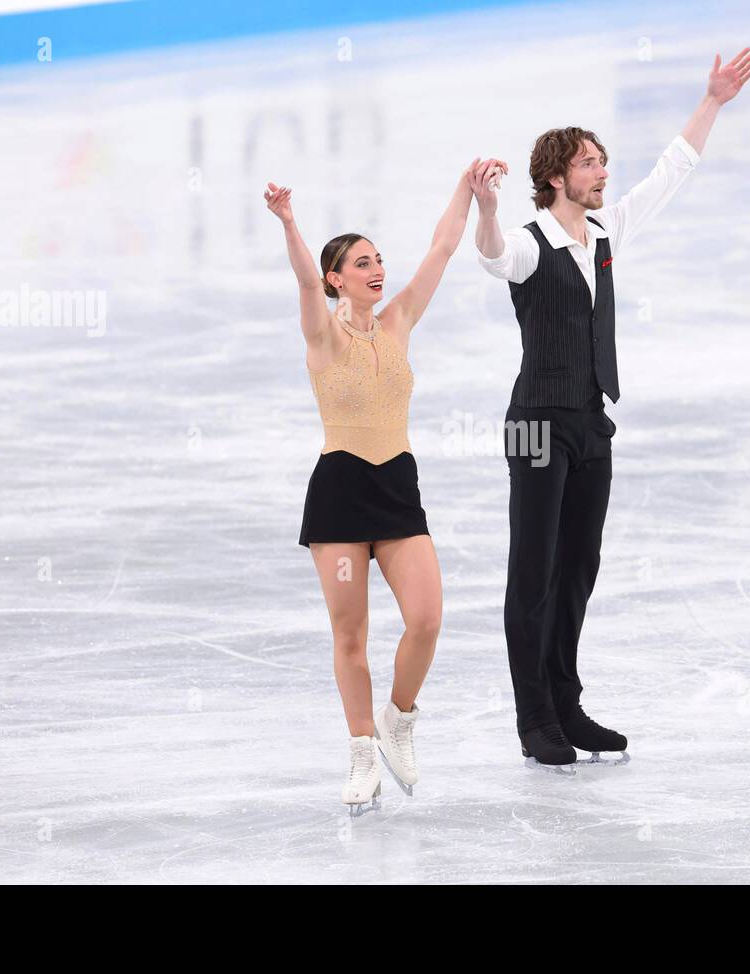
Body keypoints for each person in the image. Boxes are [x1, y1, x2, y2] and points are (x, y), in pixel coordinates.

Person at [474, 48, 750, 769]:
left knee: (579, 567)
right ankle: (533, 715)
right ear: (556, 177)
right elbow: (493, 253)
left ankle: (565, 701)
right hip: (536, 423)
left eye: (603, 160)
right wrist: (484, 207)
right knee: (532, 569)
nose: (603, 172)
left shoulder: (604, 234)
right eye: (591, 163)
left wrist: (713, 101)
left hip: (590, 422)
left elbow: (672, 171)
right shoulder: (532, 246)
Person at [264, 157, 508, 813]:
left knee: (426, 618)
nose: (377, 269)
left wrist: (466, 187)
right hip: (341, 496)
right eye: (362, 263)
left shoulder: (398, 321)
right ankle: (361, 752)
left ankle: (400, 720)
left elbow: (444, 246)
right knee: (351, 637)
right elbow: (303, 284)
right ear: (336, 279)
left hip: (397, 488)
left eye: (378, 259)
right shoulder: (322, 334)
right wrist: (290, 221)